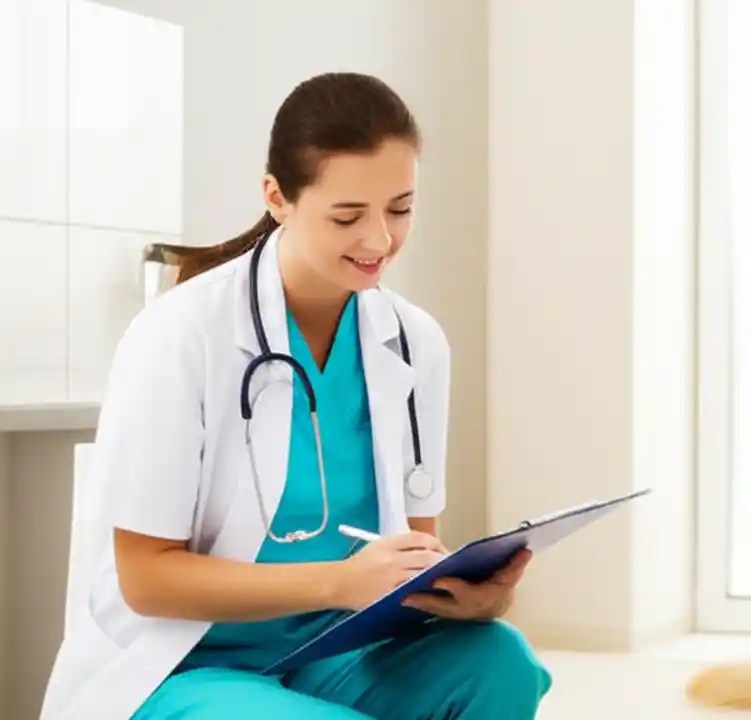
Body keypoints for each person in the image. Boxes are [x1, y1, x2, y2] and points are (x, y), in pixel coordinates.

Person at [39, 72, 551, 720]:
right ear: (277, 197)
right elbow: (146, 578)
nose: (379, 241)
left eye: (400, 208)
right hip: (180, 665)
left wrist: (476, 597)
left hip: (333, 650)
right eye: (347, 216)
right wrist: (338, 582)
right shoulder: (179, 336)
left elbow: (414, 554)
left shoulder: (415, 342)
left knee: (499, 661)